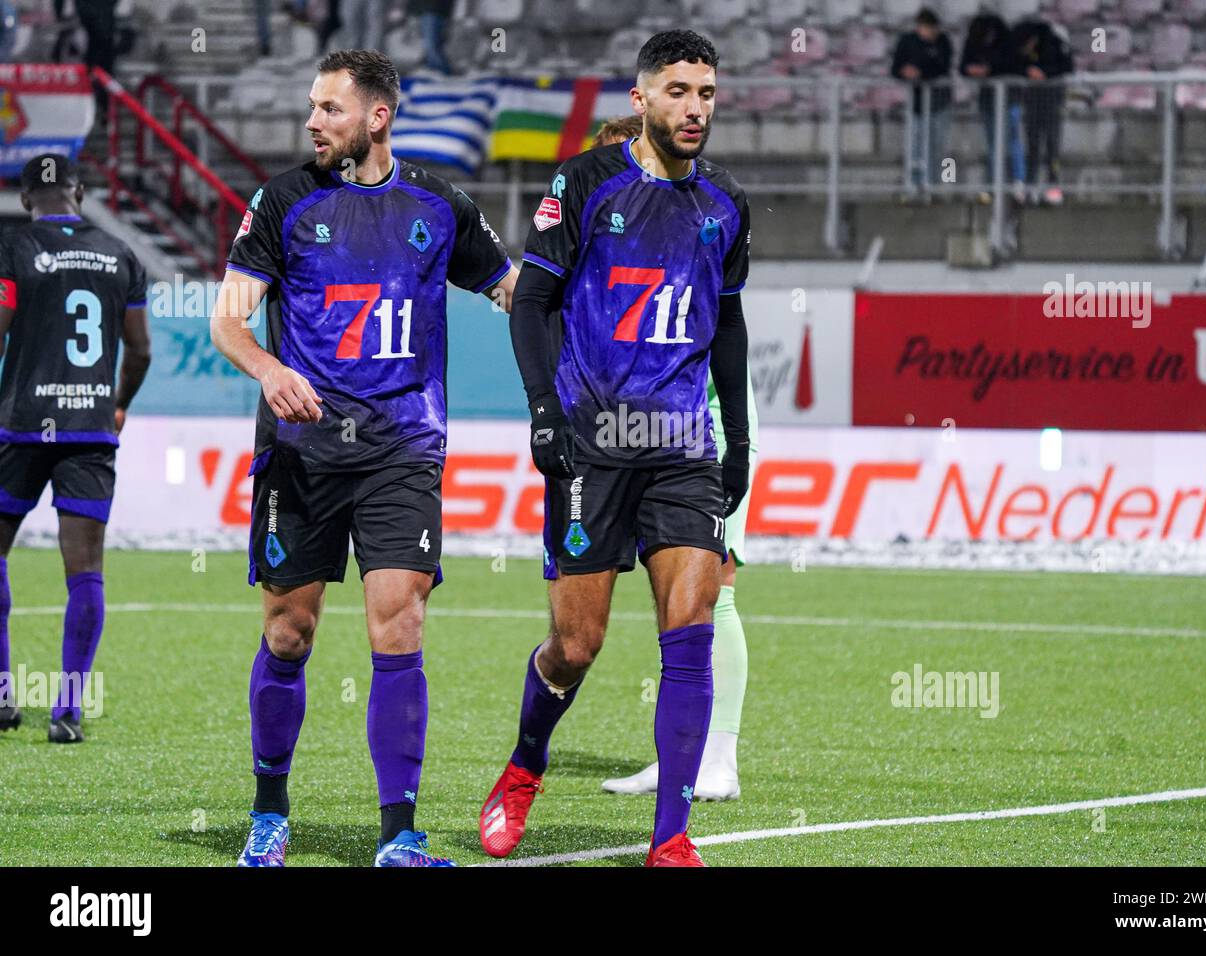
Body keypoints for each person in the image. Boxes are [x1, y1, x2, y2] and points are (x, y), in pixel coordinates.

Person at [209, 49, 517, 867]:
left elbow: (513, 288)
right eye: (312, 107)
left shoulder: (438, 204)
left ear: (376, 117)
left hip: (401, 451)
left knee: (400, 625)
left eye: (329, 110)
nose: (313, 122)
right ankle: (269, 811)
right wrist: (272, 372)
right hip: (302, 453)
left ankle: (398, 835)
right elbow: (229, 322)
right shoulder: (280, 202)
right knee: (288, 634)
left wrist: (581, 306)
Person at [480, 29, 752, 867]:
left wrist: (735, 436)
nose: (694, 108)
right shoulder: (586, 182)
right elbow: (531, 305)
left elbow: (731, 324)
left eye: (705, 92)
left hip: (681, 447)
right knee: (576, 646)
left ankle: (671, 836)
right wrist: (540, 411)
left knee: (692, 624)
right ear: (641, 98)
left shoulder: (725, 204)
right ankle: (526, 764)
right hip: (591, 449)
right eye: (677, 91)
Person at [586, 115, 756, 803]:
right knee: (674, 601)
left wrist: (735, 445)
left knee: (716, 588)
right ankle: (682, 751)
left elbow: (721, 343)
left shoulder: (692, 227)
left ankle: (720, 757)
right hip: (645, 434)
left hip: (706, 423)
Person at [0, 154, 151, 742]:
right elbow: (139, 351)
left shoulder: (14, 248)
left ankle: (5, 697)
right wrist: (118, 404)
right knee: (84, 568)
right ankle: (67, 710)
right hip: (90, 427)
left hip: (20, 422)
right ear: (79, 193)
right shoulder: (121, 254)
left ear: (27, 200)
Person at [960, 10, 1025, 203]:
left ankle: (1017, 183)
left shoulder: (1006, 41)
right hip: (988, 99)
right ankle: (992, 183)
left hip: (1010, 99)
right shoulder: (974, 40)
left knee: (1012, 140)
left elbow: (1013, 64)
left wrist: (990, 69)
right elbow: (963, 65)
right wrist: (972, 70)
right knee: (993, 143)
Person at [890, 7, 952, 195]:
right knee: (914, 145)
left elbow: (943, 67)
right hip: (915, 104)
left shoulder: (943, 42)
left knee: (935, 145)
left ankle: (932, 186)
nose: (929, 32)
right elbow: (895, 68)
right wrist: (905, 72)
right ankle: (914, 186)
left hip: (939, 103)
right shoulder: (907, 41)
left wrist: (921, 72)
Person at [1012, 18, 1073, 205]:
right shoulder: (1021, 48)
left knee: (1052, 145)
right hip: (1032, 101)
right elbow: (1014, 65)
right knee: (1032, 145)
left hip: (1053, 100)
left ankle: (1053, 186)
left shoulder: (1055, 43)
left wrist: (1045, 74)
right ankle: (1030, 187)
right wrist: (1027, 71)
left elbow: (1067, 67)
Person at [410, 0, 455, 75]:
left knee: (431, 43)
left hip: (432, 11)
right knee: (433, 43)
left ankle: (440, 69)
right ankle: (437, 68)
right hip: (431, 12)